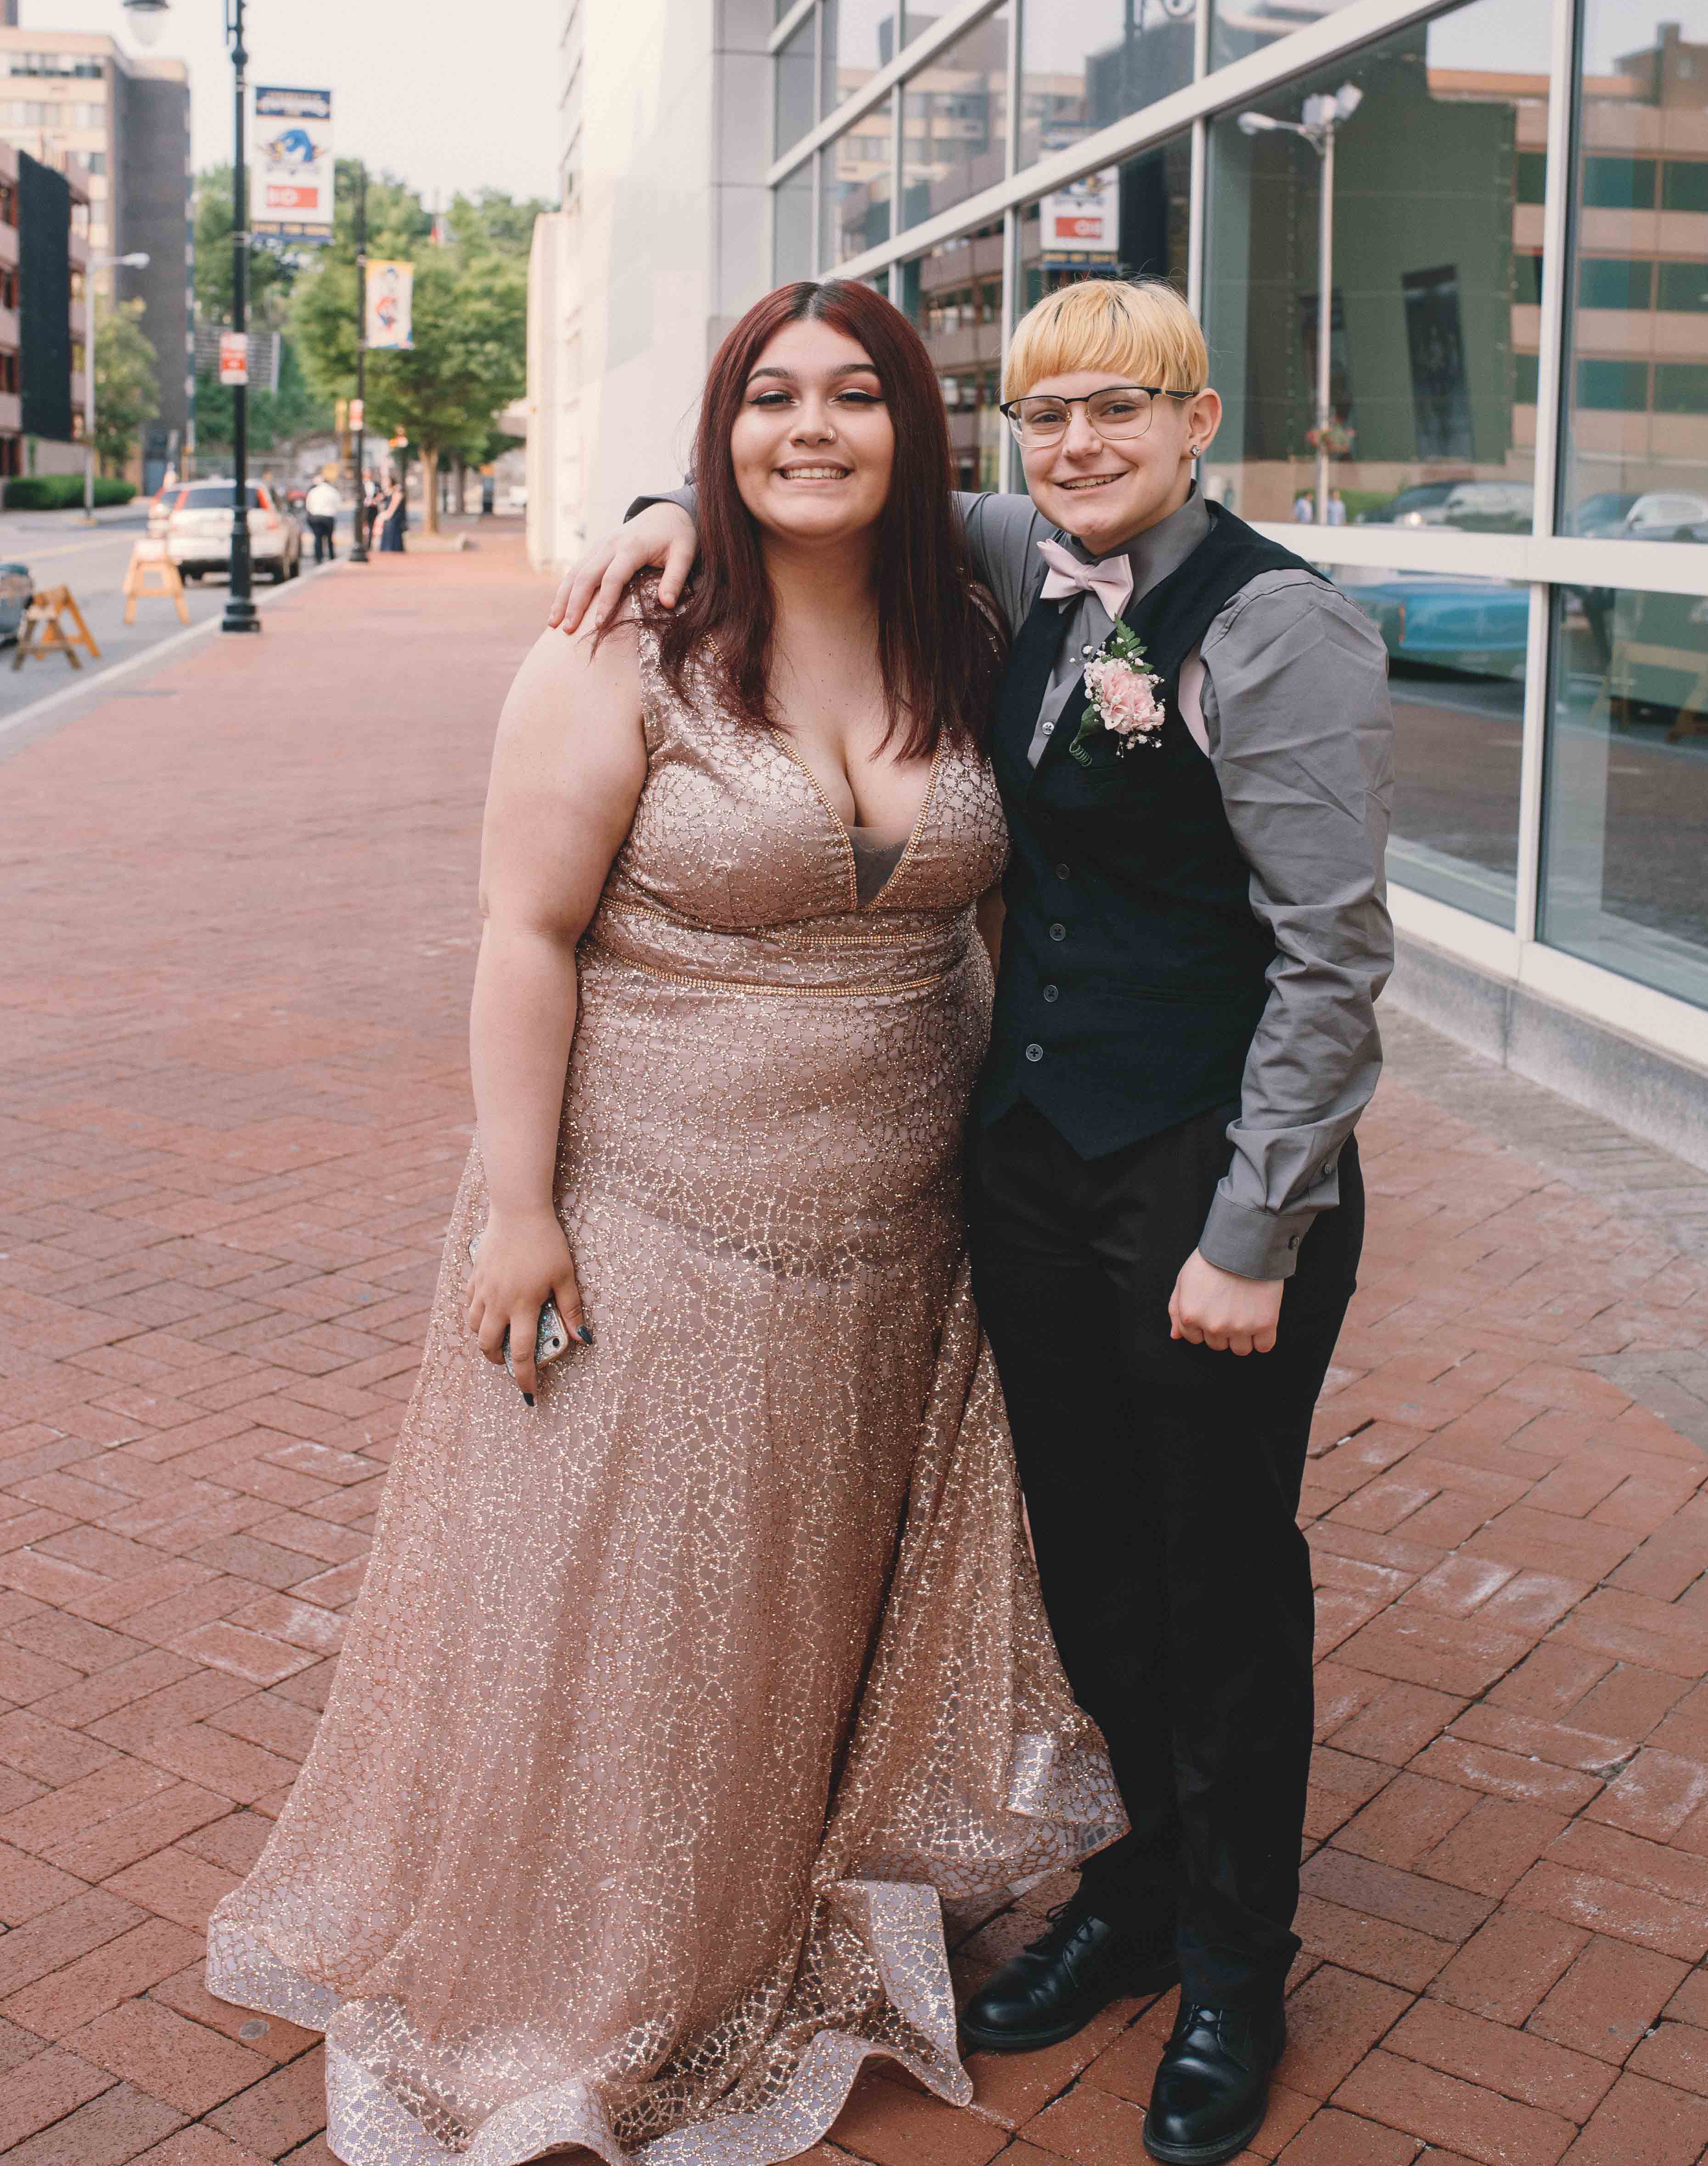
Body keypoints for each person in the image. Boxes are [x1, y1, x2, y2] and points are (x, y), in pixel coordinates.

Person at [205, 280, 1120, 2166]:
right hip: (654, 1210)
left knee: (807, 1599)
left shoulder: (970, 637)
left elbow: (1003, 917)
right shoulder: (624, 648)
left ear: (908, 435)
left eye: (852, 396)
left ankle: (783, 1891)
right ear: (715, 434)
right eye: (767, 398)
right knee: (628, 1606)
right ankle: (598, 1968)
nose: (810, 429)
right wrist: (522, 1209)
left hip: (896, 1233)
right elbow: (525, 934)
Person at [559, 276, 1393, 2166]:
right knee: (1088, 1557)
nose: (1077, 445)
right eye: (1043, 415)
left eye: (1120, 409)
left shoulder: (1275, 628)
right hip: (1028, 1159)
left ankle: (1237, 1967)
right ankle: (1134, 1892)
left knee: (1217, 1574)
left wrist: (1253, 1233)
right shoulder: (1026, 554)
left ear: (1197, 422)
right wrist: (661, 511)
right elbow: (832, 474)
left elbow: (1330, 966)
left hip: (1203, 1169)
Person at [304, 468, 341, 564]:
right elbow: (338, 503)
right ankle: (331, 556)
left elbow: (308, 505)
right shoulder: (332, 491)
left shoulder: (314, 491)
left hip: (316, 516)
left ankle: (318, 557)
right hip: (329, 517)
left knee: (318, 538)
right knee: (329, 538)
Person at [376, 467, 406, 551]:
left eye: (387, 481)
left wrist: (389, 513)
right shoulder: (387, 492)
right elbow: (378, 500)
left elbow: (394, 505)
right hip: (389, 516)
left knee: (393, 533)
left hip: (394, 517)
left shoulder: (397, 492)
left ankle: (392, 549)